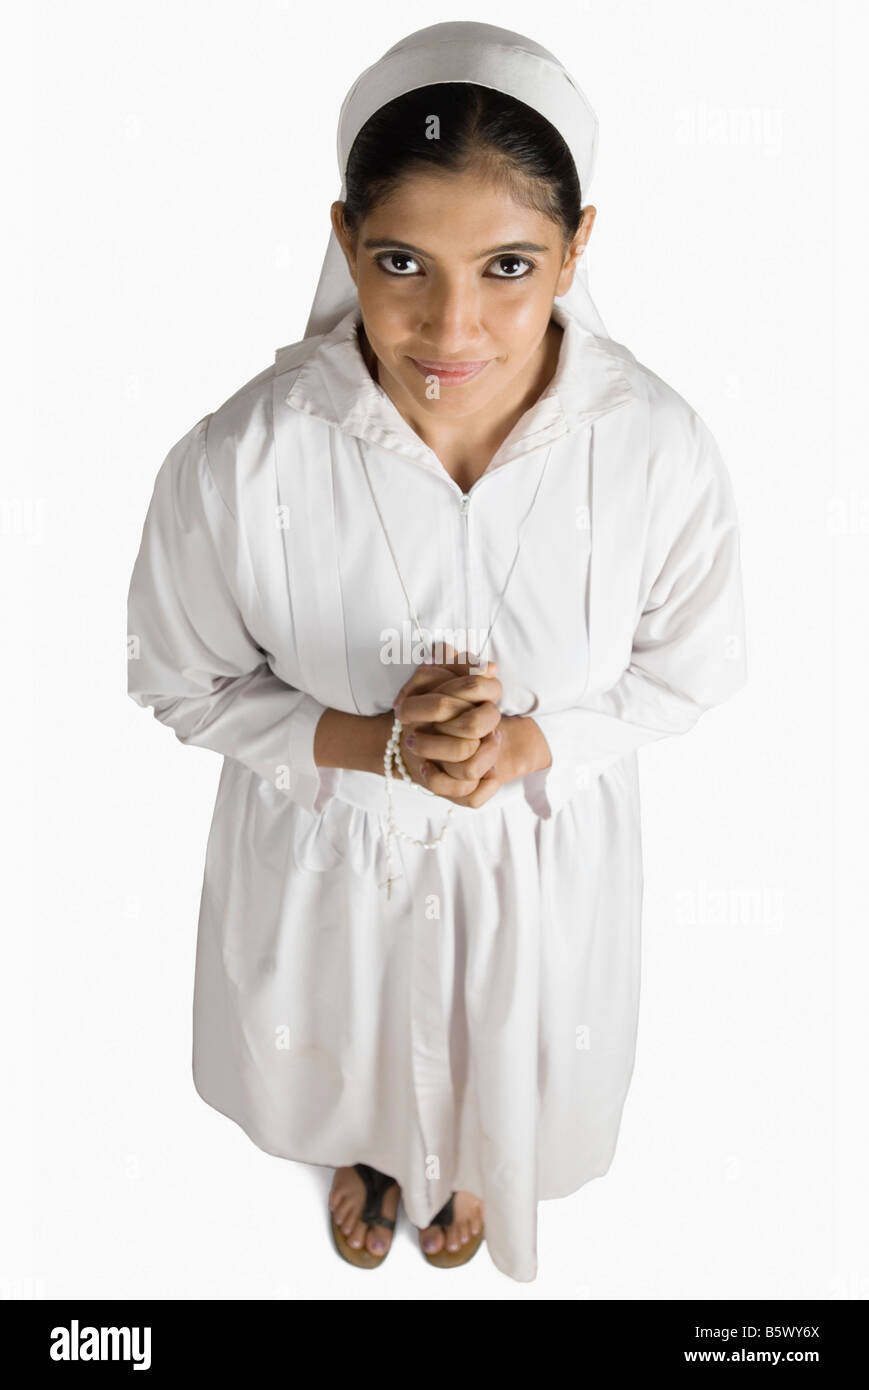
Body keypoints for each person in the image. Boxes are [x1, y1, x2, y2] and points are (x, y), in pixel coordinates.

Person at [126, 20, 747, 1283]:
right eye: (402, 259)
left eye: (508, 264)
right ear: (345, 237)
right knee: (337, 1043)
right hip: (323, 865)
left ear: (577, 247)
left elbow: (690, 661)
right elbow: (176, 674)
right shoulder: (242, 459)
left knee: (504, 1054)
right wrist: (377, 748)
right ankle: (363, 1147)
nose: (449, 327)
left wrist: (528, 738)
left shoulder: (657, 453)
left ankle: (466, 1157)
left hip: (541, 866)